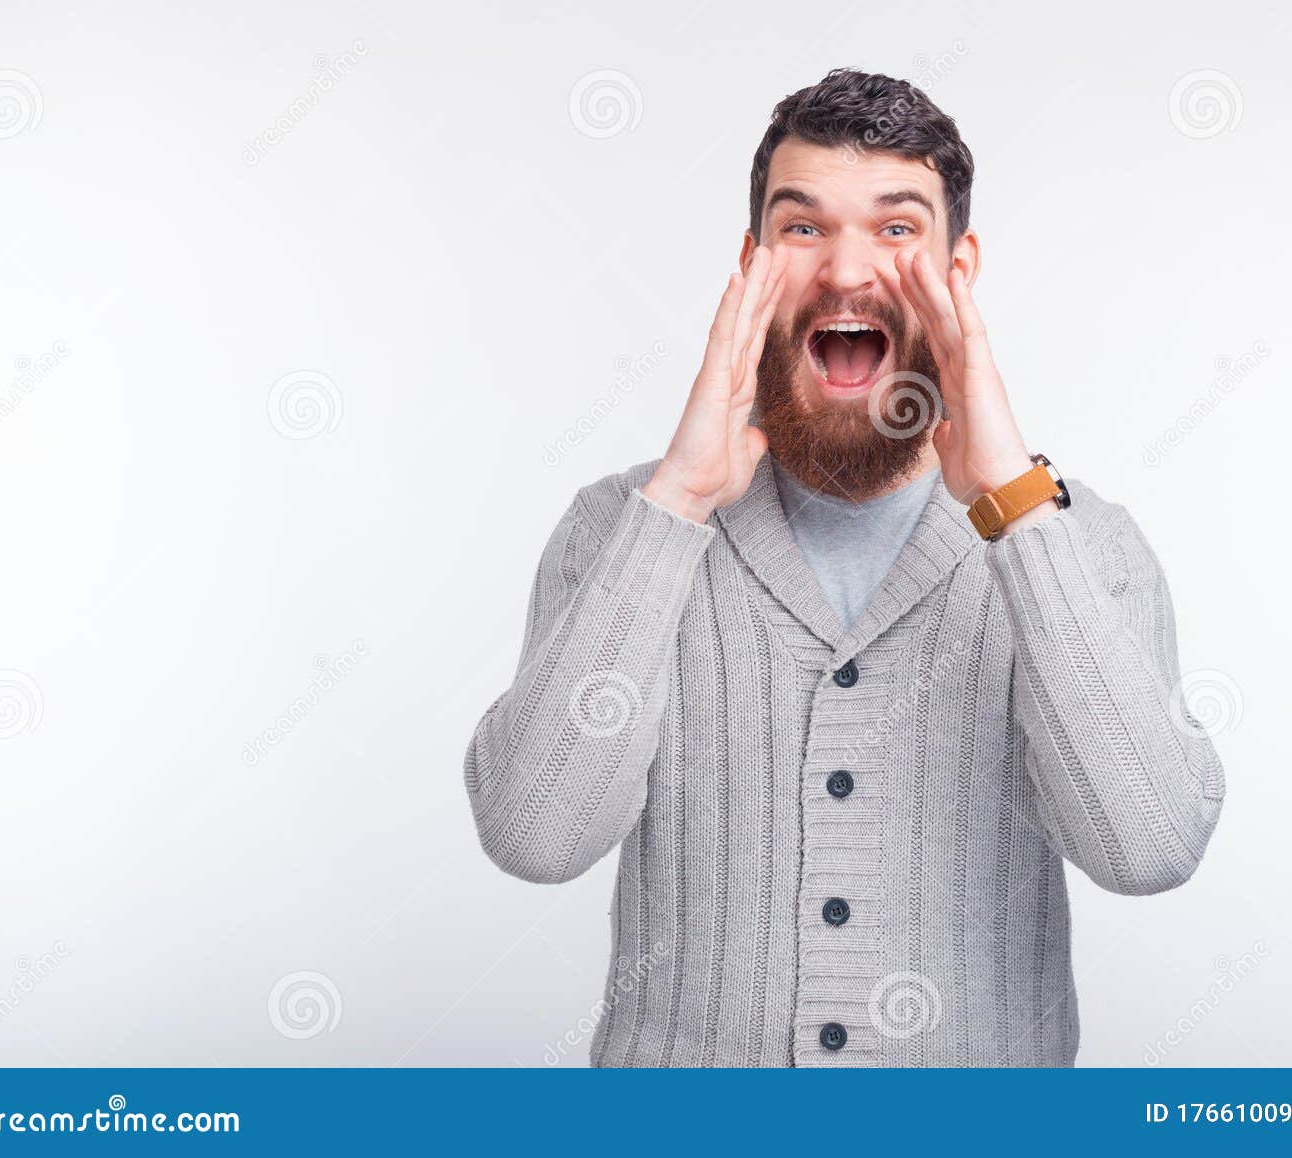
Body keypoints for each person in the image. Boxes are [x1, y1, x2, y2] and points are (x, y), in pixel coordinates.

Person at [464, 68, 1226, 1067]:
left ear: (961, 269)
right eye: (804, 227)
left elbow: (1148, 849)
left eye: (898, 228)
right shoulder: (620, 526)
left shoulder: (1080, 545)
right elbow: (534, 836)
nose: (848, 271)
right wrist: (681, 503)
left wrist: (1010, 499)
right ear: (751, 265)